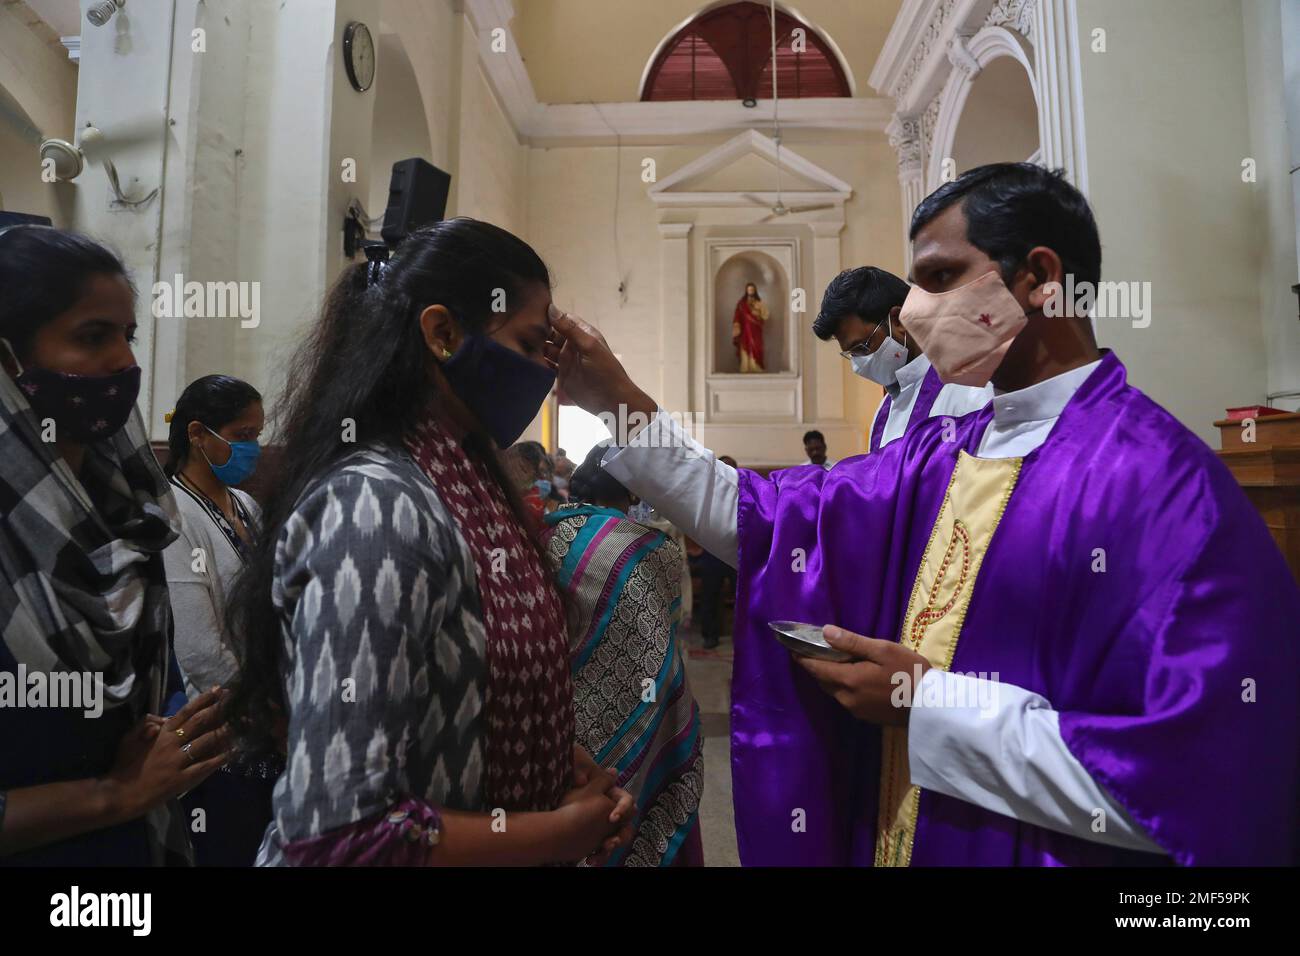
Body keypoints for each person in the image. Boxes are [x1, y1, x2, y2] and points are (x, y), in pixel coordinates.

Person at [546, 164, 1300, 866]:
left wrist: (930, 704)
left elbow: (1205, 777)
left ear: (1039, 279)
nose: (913, 311)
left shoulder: (1166, 486)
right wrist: (619, 402)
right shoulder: (939, 454)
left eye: (940, 277)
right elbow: (761, 521)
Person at [223, 218, 633, 866]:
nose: (546, 377)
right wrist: (564, 833)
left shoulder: (469, 481)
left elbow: (461, 692)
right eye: (531, 346)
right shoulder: (375, 507)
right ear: (443, 333)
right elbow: (340, 837)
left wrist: (554, 766)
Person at [0, 225, 229, 865]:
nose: (126, 363)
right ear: (8, 359)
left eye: (127, 337)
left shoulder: (129, 514)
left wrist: (177, 729)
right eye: (91, 336)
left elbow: (156, 688)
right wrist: (115, 794)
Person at [542, 445, 704, 866]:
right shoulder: (657, 548)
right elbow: (672, 630)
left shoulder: (540, 535)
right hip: (645, 708)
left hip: (564, 720)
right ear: (634, 493)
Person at [162, 374, 281, 866]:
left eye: (257, 435)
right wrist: (264, 712)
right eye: (241, 436)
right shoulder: (173, 514)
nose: (252, 448)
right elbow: (199, 648)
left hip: (270, 712)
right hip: (223, 722)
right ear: (197, 434)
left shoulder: (247, 506)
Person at [815, 266, 991, 452]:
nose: (858, 365)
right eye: (852, 354)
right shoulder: (884, 410)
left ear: (898, 320)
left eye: (863, 347)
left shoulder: (970, 388)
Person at [733, 282, 768, 373]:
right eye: (749, 289)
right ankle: (745, 367)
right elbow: (737, 315)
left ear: (755, 291)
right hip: (745, 329)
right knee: (745, 346)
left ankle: (756, 367)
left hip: (756, 329)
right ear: (746, 291)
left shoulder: (759, 303)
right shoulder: (741, 304)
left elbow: (765, 315)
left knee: (756, 347)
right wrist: (737, 325)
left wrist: (758, 315)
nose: (750, 291)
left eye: (752, 289)